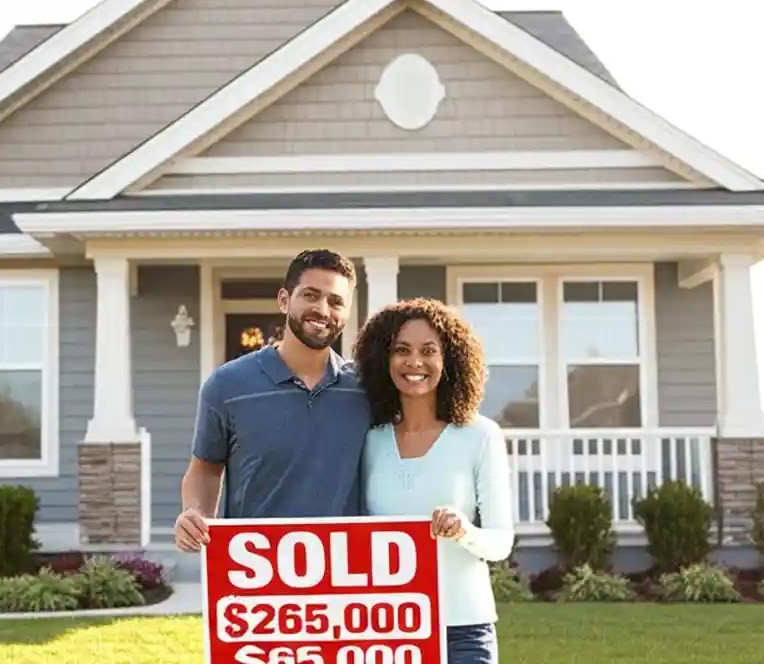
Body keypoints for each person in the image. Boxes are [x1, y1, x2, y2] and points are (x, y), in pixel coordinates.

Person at [174, 249, 370, 551]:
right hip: (255, 573)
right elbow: (206, 468)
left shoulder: (365, 389)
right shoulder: (227, 386)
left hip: (345, 574)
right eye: (310, 295)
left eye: (336, 301)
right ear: (284, 300)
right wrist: (196, 514)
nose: (322, 309)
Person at [354, 298, 514, 664]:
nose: (415, 362)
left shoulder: (480, 436)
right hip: (389, 631)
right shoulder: (370, 440)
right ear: (383, 359)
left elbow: (501, 542)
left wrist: (463, 530)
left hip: (464, 632)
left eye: (429, 351)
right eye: (401, 350)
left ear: (449, 360)